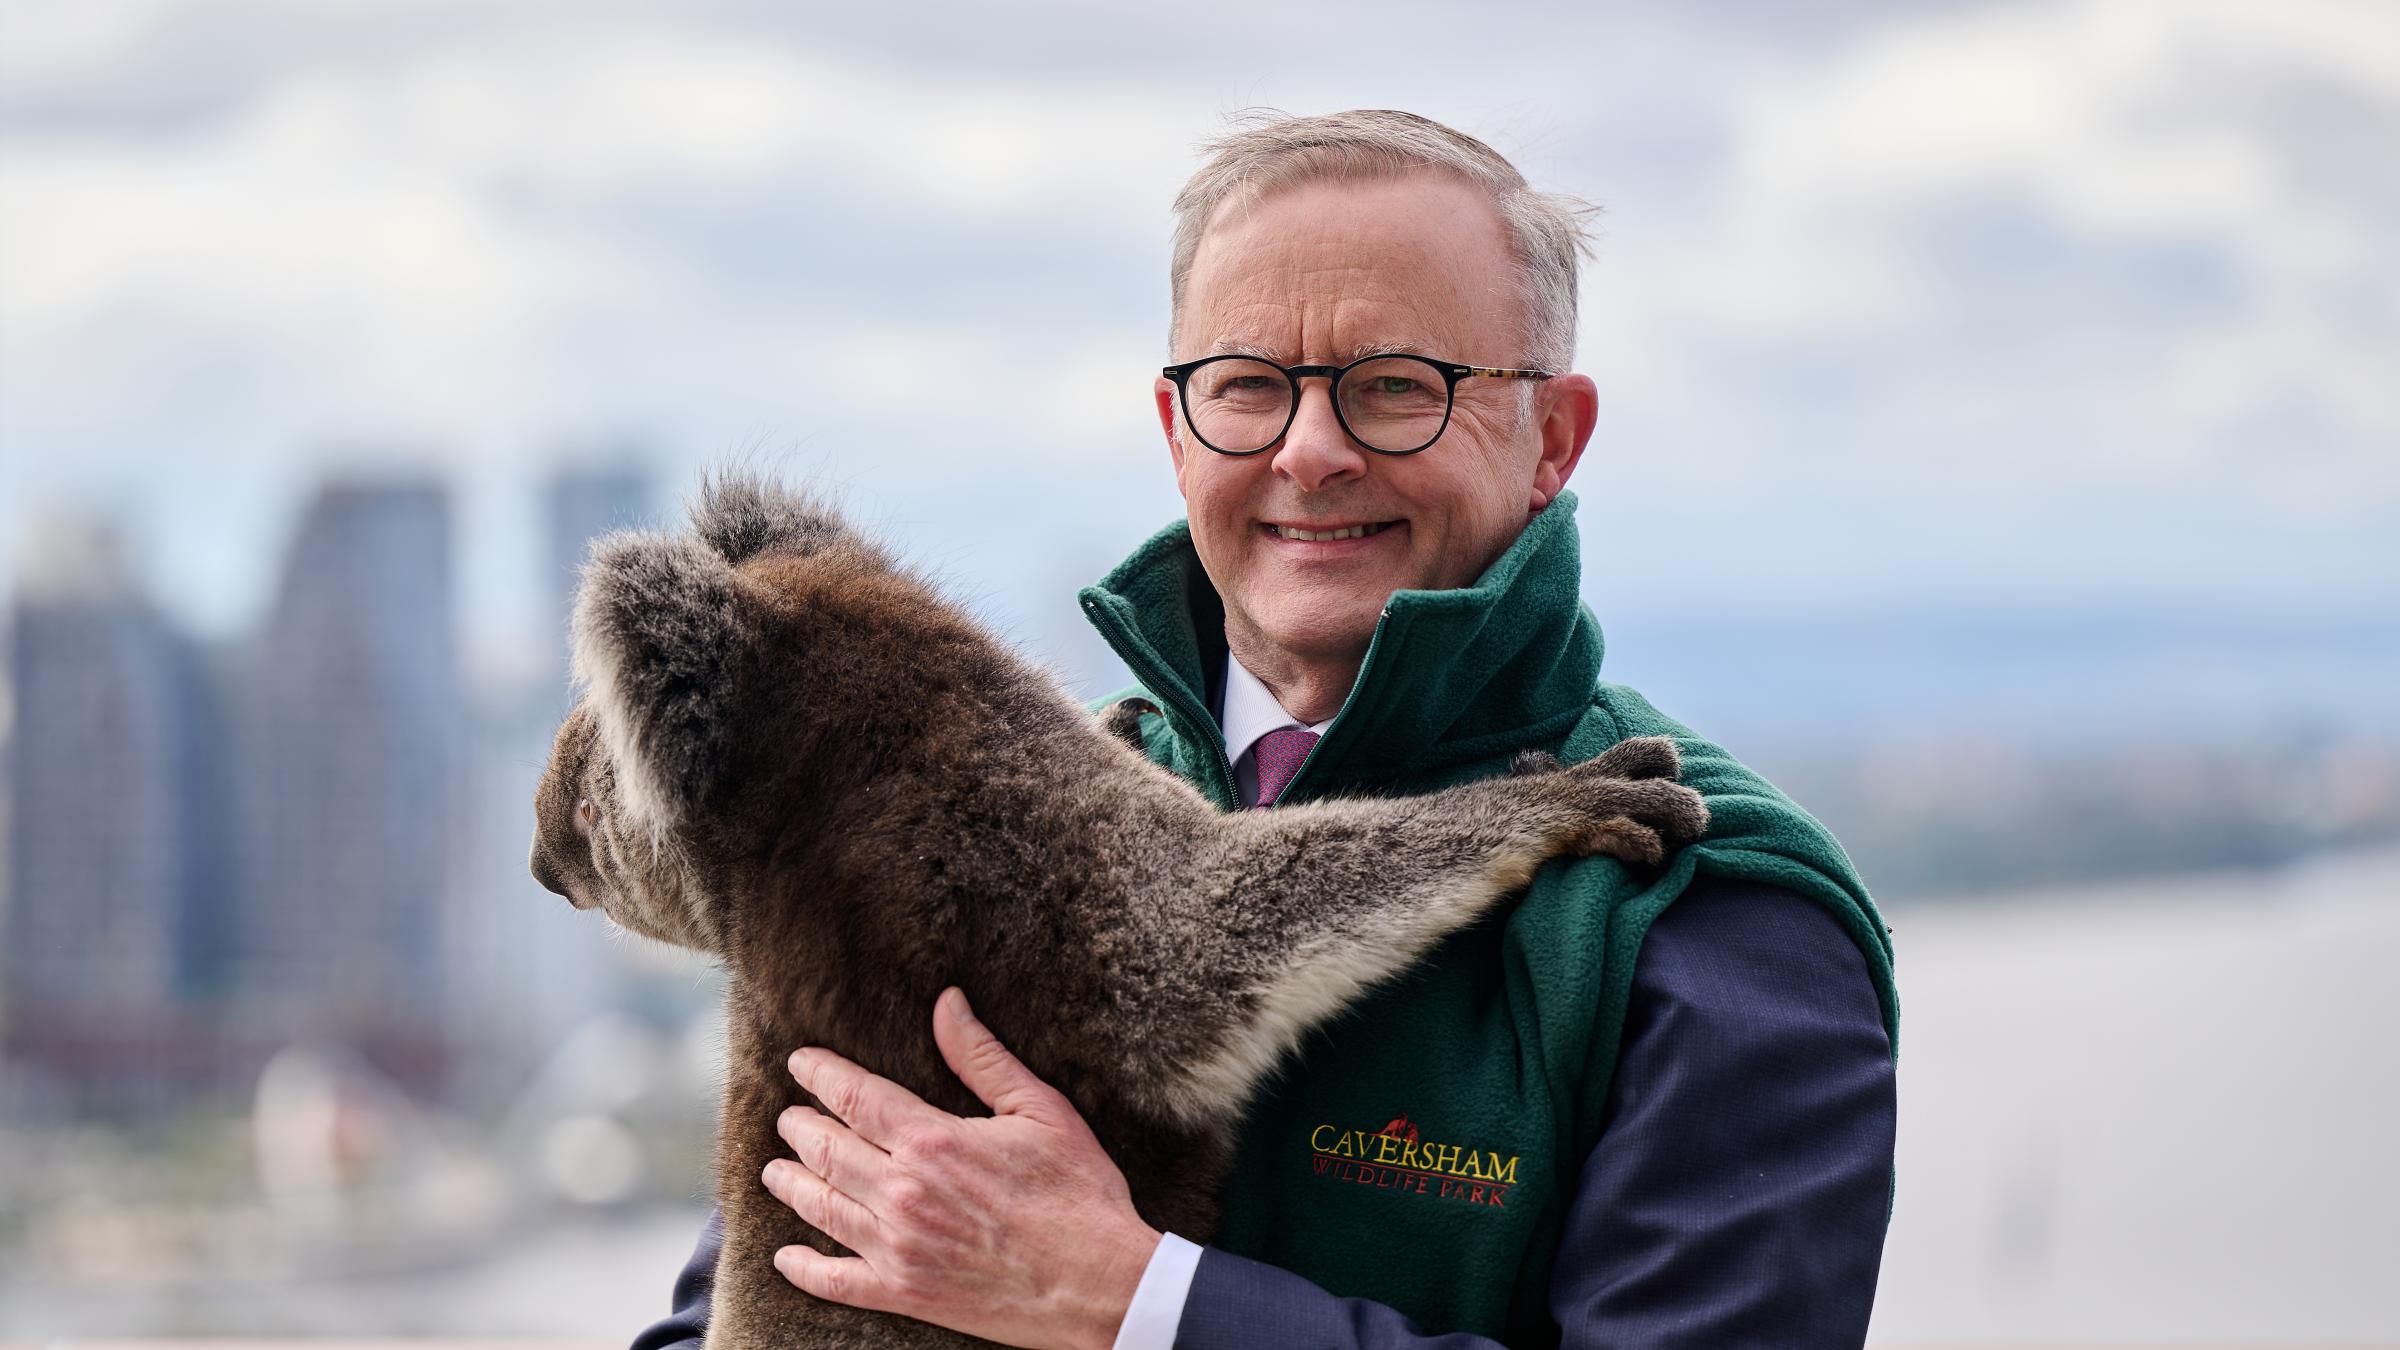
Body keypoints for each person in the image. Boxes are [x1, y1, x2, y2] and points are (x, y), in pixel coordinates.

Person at [630, 109, 1898, 1350]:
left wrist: (1141, 1308)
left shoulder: (1711, 918)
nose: (1311, 451)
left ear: (1550, 438)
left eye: (1397, 389)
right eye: (1248, 389)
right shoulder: (940, 817)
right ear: (1179, 433)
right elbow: (737, 1287)